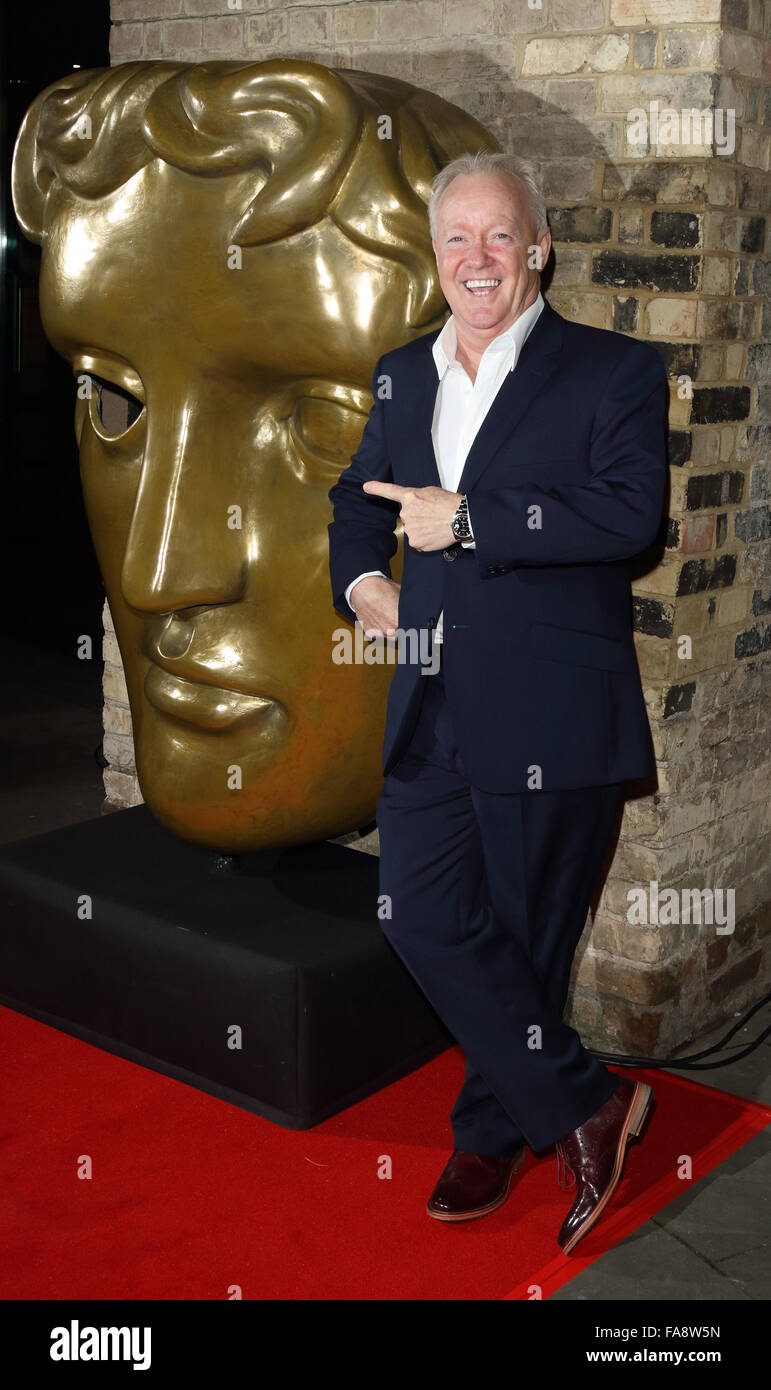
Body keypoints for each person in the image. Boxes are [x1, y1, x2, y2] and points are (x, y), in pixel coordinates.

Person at [327, 150, 668, 1254]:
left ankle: (490, 1128)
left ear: (540, 247)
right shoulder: (400, 374)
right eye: (456, 240)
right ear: (436, 259)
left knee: (524, 941)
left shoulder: (611, 370)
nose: (479, 259)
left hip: (551, 712)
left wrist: (470, 520)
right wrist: (363, 580)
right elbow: (352, 500)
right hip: (429, 701)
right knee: (422, 917)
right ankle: (583, 1103)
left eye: (499, 236)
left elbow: (629, 517)